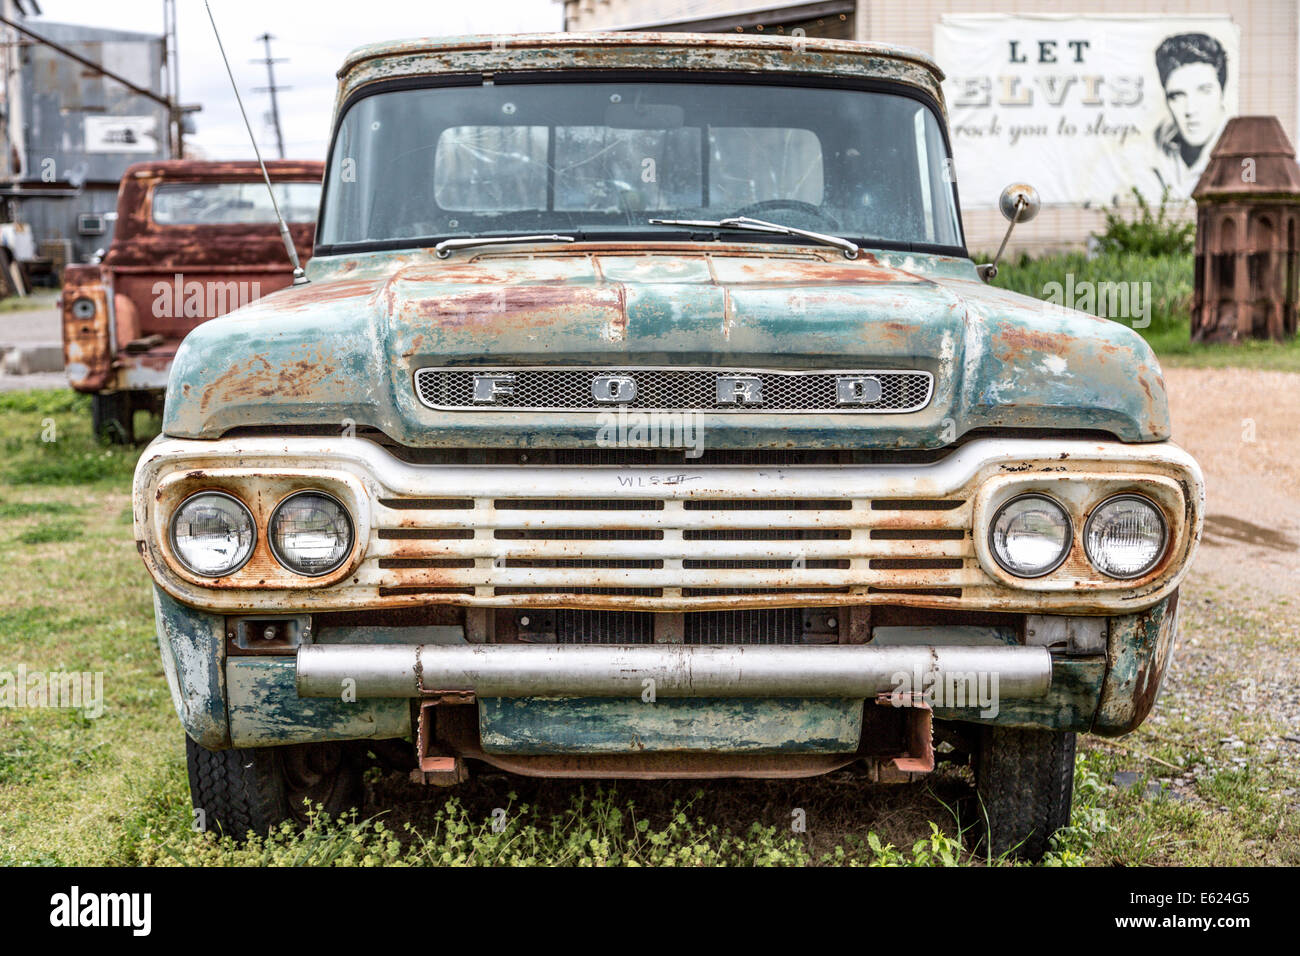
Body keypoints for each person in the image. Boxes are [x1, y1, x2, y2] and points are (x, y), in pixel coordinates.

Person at [1150, 32, 1230, 197]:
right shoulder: (1153, 155)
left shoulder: (1243, 161)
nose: (1190, 109)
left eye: (1204, 91)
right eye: (1177, 96)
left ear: (1222, 93)